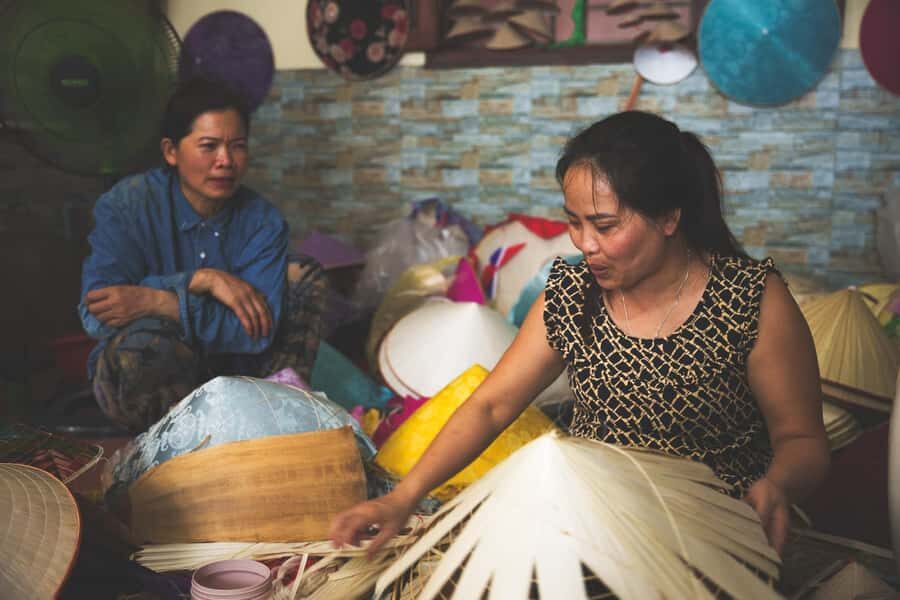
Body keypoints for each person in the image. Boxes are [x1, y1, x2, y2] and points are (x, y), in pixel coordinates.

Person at [330, 111, 829, 557]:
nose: (585, 244)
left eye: (606, 226)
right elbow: (491, 406)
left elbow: (802, 438)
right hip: (598, 527)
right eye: (574, 222)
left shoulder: (749, 298)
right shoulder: (572, 296)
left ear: (669, 217)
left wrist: (777, 486)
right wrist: (402, 497)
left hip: (718, 536)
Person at [79, 77, 327, 433]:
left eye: (237, 146)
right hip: (150, 373)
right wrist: (201, 281)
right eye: (209, 146)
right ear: (171, 151)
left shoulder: (262, 220)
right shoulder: (127, 205)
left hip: (235, 371)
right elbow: (96, 315)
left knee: (304, 275)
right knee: (144, 345)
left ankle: (273, 423)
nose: (225, 160)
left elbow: (255, 334)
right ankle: (163, 452)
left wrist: (158, 300)